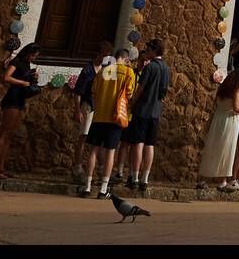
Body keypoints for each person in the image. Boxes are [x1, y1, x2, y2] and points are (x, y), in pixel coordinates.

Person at [79, 48, 136, 200]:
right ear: (125, 59)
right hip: (115, 118)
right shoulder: (128, 72)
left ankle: (87, 186)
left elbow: (94, 92)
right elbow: (129, 94)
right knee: (110, 152)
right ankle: (103, 189)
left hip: (99, 116)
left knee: (93, 151)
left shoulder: (103, 71)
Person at [121, 38, 170, 193]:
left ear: (155, 51)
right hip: (155, 111)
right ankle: (145, 178)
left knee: (138, 143)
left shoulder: (150, 68)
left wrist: (133, 101)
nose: (146, 52)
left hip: (142, 110)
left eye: (148, 50)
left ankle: (134, 177)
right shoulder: (166, 69)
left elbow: (140, 88)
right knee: (150, 145)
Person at [0, 43, 40, 179]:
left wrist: (32, 78)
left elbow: (24, 78)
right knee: (4, 133)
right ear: (28, 53)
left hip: (20, 99)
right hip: (12, 99)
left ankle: (1, 167)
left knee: (10, 135)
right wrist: (22, 83)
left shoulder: (27, 65)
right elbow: (7, 77)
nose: (34, 58)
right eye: (33, 55)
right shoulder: (17, 61)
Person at [68, 40, 113, 183]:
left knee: (98, 139)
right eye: (105, 55)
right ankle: (78, 168)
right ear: (98, 54)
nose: (106, 58)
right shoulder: (87, 70)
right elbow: (78, 92)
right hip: (88, 106)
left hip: (101, 108)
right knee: (84, 136)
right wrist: (77, 110)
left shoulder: (107, 69)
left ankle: (101, 168)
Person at [199, 70, 239, 192]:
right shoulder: (237, 90)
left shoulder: (222, 90)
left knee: (213, 147)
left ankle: (203, 179)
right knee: (227, 149)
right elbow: (236, 107)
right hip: (230, 121)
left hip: (218, 119)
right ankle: (223, 181)